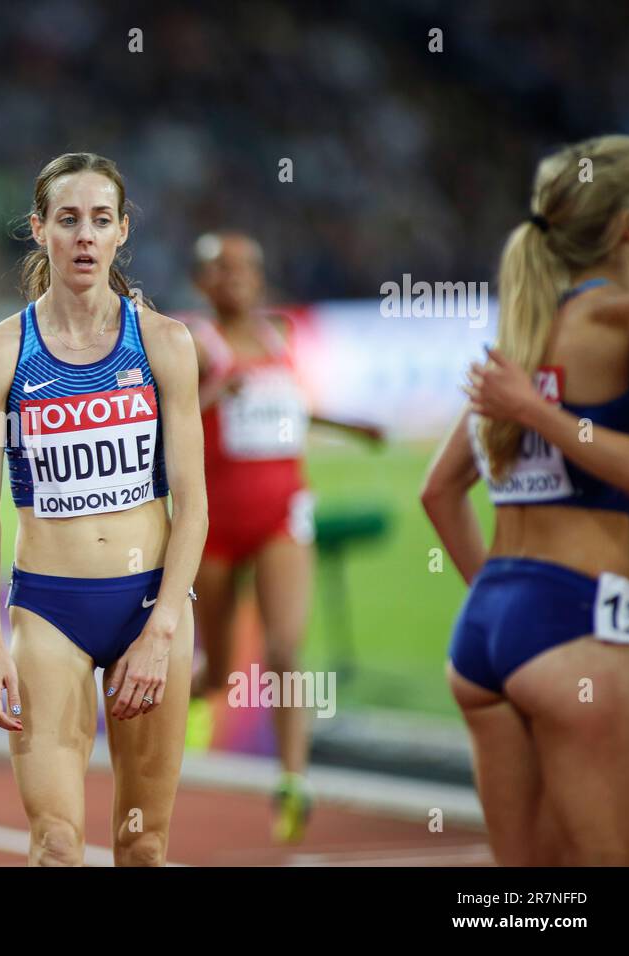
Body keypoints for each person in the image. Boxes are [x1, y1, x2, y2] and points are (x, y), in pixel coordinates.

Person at [0, 152, 207, 866]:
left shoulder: (165, 343)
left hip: (149, 607)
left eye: (101, 220)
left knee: (142, 846)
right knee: (57, 845)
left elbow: (192, 505)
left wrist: (161, 630)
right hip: (48, 612)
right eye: (68, 220)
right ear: (38, 230)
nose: (84, 237)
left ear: (123, 232)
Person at [422, 135, 629, 865]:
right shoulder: (618, 319)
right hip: (578, 622)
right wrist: (550, 418)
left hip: (488, 631)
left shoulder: (518, 334)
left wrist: (506, 607)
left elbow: (439, 491)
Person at [182, 231, 382, 844]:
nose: (235, 277)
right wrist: (218, 391)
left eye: (246, 267)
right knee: (216, 673)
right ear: (202, 282)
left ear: (261, 278)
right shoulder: (193, 341)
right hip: (214, 526)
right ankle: (138, 716)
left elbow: (288, 405)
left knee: (285, 649)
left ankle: (293, 779)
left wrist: (348, 424)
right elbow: (166, 421)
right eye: (222, 269)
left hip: (280, 516)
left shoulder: (279, 335)